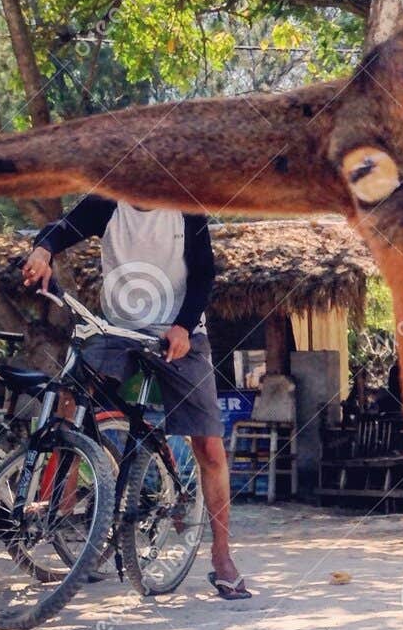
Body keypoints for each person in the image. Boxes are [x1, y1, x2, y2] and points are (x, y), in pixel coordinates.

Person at [22, 198, 251, 599]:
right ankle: (64, 503)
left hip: (179, 335)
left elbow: (203, 275)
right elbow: (63, 228)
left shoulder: (185, 209)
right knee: (71, 398)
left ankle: (222, 557)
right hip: (117, 332)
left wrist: (182, 326)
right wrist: (44, 249)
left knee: (209, 446)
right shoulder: (108, 202)